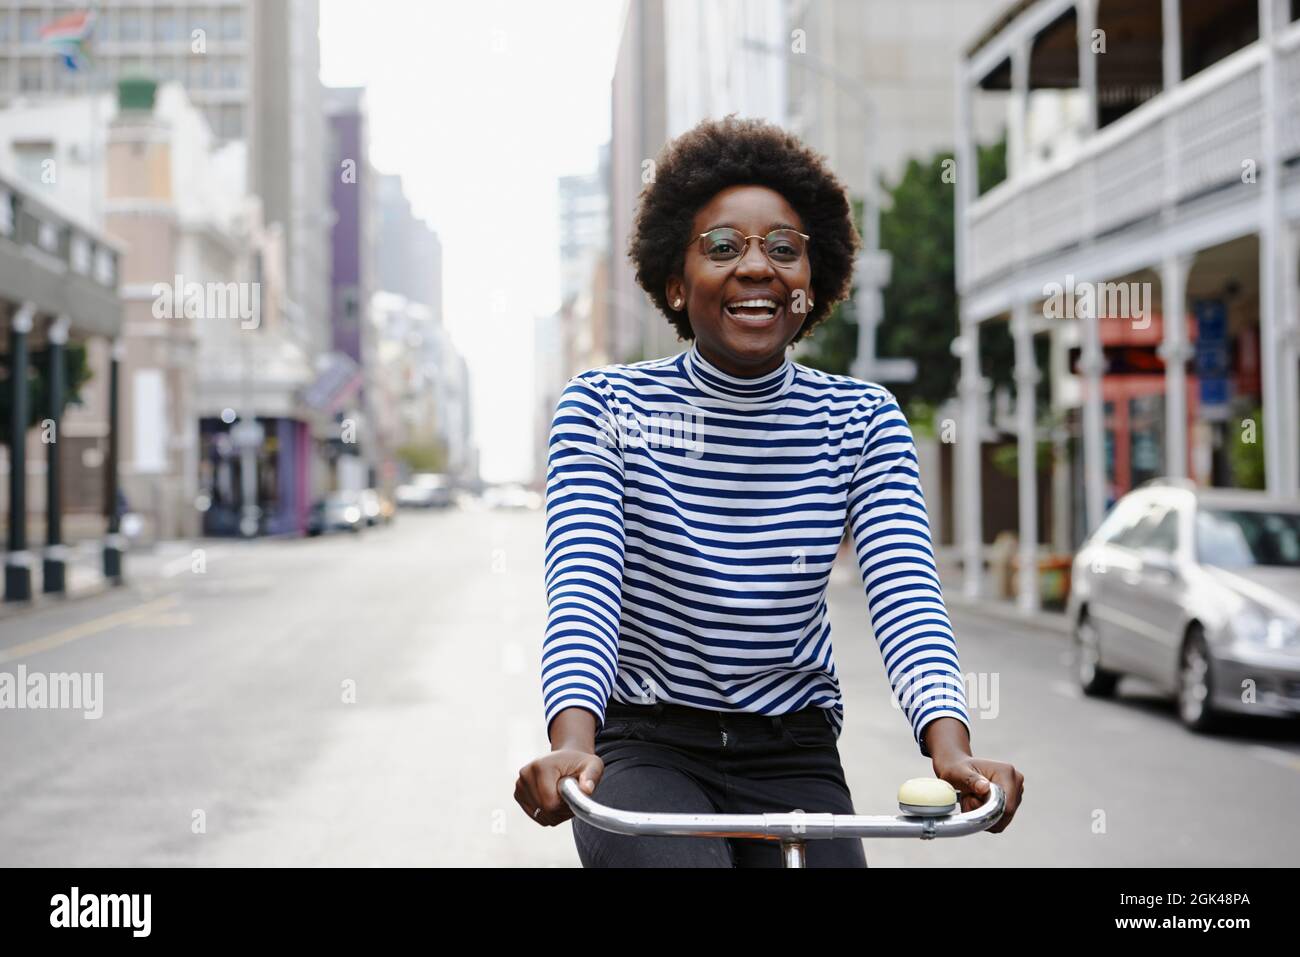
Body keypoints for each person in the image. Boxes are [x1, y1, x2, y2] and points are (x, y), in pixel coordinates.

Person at [514, 116, 1023, 867]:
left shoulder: (862, 420)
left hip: (793, 748)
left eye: (783, 249)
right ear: (676, 283)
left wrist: (951, 744)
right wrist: (571, 746)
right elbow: (584, 586)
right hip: (645, 744)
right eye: (723, 247)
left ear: (812, 283)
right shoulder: (604, 408)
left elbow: (906, 590)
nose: (758, 266)